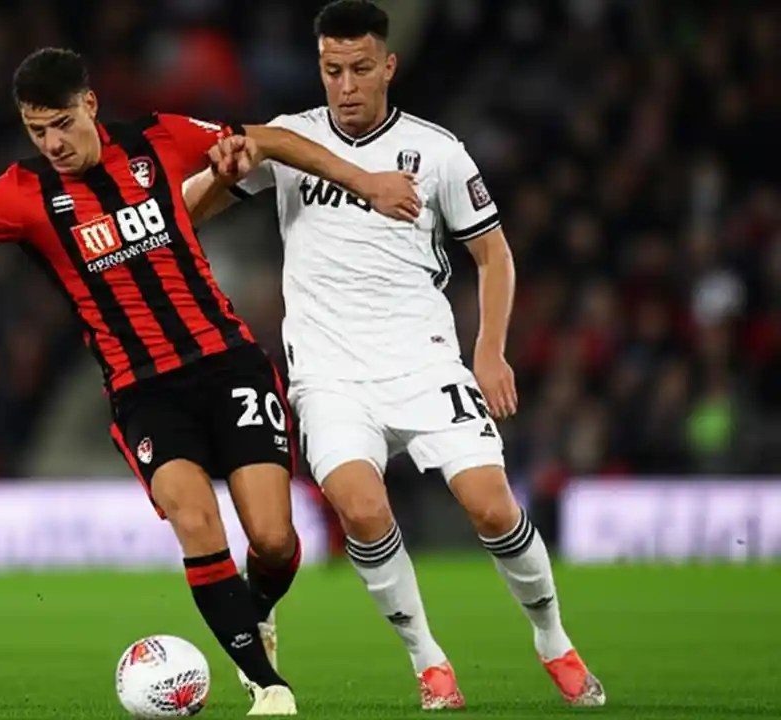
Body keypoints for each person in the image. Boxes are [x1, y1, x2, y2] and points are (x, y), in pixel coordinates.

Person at [0, 47, 418, 716]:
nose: (52, 143)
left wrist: (365, 181)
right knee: (196, 521)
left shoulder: (156, 139)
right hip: (142, 390)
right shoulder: (22, 193)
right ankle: (268, 683)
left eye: (61, 123)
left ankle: (250, 614)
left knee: (275, 541)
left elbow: (277, 140)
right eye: (37, 131)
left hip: (227, 363)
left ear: (89, 104)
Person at [183, 0, 605, 710]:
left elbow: (493, 255)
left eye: (357, 70)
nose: (344, 87)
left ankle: (553, 640)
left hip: (424, 362)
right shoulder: (290, 140)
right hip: (330, 375)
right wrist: (223, 172)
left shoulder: (437, 152)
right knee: (360, 508)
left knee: (493, 509)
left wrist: (490, 352)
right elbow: (186, 210)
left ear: (388, 66)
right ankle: (429, 660)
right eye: (330, 71)